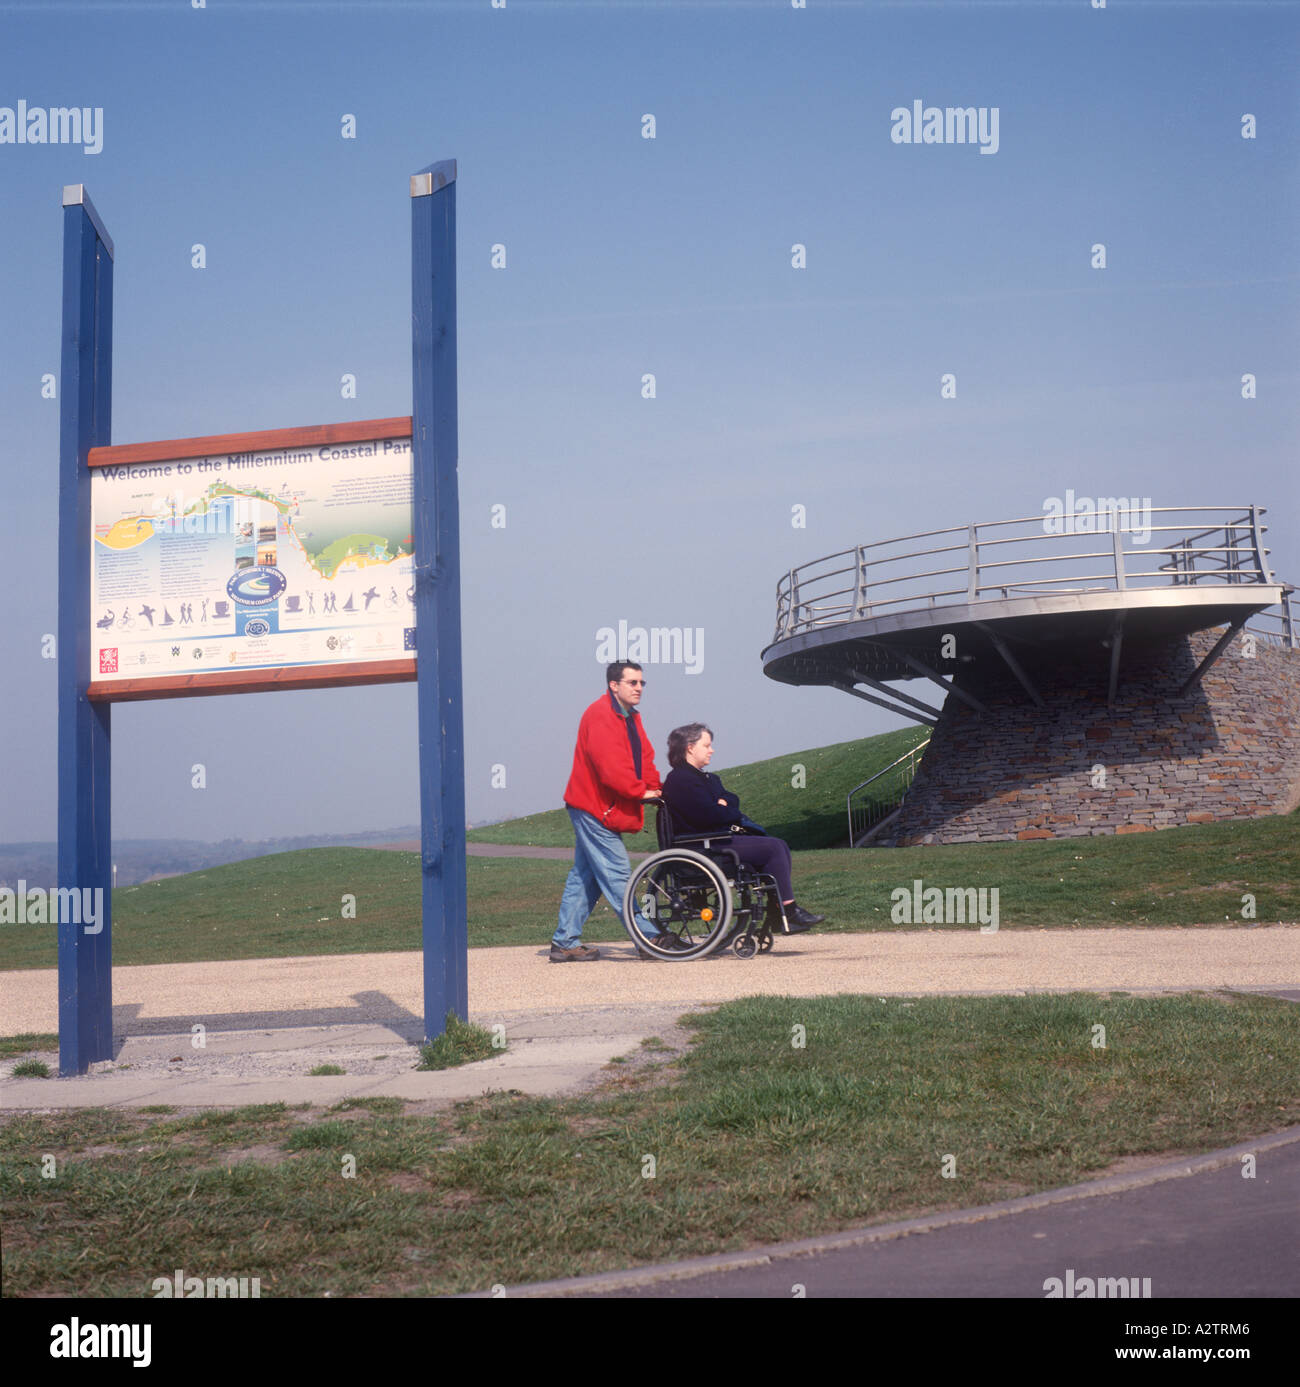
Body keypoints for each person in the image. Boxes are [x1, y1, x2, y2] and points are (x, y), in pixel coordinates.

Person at [550, 662, 692, 961]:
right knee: (617, 875)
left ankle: (564, 942)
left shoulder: (631, 717)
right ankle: (649, 938)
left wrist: (656, 787)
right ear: (614, 685)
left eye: (641, 682)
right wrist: (638, 791)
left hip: (602, 809)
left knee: (585, 876)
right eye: (632, 682)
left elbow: (646, 756)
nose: (639, 687)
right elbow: (609, 767)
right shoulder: (600, 715)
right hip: (593, 808)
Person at [660, 723, 825, 934]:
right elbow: (709, 815)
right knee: (774, 847)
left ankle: (780, 911)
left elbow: (731, 799)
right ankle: (787, 911)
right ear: (690, 747)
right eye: (707, 745)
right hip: (701, 847)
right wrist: (725, 808)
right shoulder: (681, 779)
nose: (712, 750)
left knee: (778, 845)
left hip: (714, 839)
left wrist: (724, 805)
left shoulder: (706, 778)